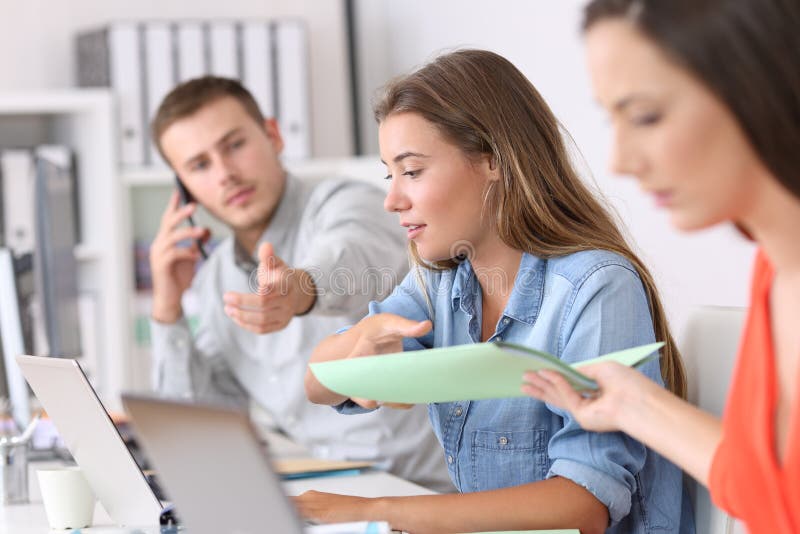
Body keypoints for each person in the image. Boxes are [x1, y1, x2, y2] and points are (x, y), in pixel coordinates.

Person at [300, 49, 694, 534]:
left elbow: (583, 504)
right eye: (389, 173)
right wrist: (363, 345)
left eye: (413, 171)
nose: (392, 199)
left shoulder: (596, 287)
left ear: (492, 160)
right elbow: (317, 383)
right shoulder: (442, 280)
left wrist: (377, 512)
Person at [521, 1, 800, 533]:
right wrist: (632, 404)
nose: (620, 161)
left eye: (645, 116)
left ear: (758, 85)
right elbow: (767, 487)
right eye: (612, 119)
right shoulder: (775, 269)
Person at [147, 76, 450, 491]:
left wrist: (299, 289)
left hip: (421, 492)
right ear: (184, 190)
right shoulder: (216, 278)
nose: (225, 175)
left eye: (235, 145)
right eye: (199, 166)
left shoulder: (345, 202)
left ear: (272, 135)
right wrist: (167, 309)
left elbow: (353, 255)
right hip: (330, 493)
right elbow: (200, 426)